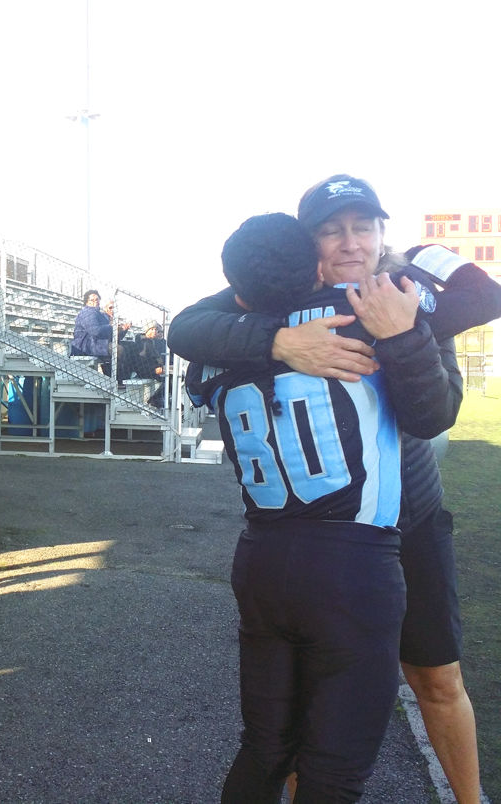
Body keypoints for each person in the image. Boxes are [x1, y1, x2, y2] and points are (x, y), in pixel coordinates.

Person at [170, 176, 501, 803]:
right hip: (336, 536)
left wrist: (403, 331)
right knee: (319, 713)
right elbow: (186, 324)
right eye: (331, 229)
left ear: (382, 232)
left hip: (407, 518)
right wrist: (278, 341)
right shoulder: (273, 307)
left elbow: (437, 412)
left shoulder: (408, 298)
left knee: (436, 677)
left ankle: (469, 798)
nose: (350, 242)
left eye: (364, 226)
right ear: (306, 243)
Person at [70, 288, 113, 375]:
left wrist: (122, 329)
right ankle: (116, 379)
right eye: (92, 300)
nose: (95, 301)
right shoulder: (88, 312)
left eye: (97, 299)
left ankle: (114, 378)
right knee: (118, 350)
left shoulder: (99, 314)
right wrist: (112, 327)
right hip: (86, 346)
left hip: (97, 343)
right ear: (87, 302)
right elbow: (95, 331)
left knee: (127, 347)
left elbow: (110, 333)